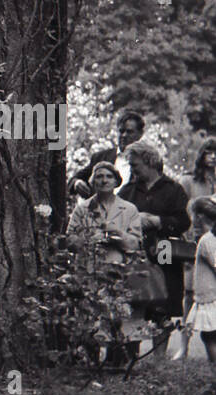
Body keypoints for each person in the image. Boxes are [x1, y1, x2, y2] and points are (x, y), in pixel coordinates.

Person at [120, 140, 190, 324]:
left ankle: (160, 353)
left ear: (149, 161)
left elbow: (184, 221)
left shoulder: (173, 189)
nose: (132, 169)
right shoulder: (127, 191)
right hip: (135, 252)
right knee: (134, 305)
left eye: (135, 165)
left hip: (165, 249)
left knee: (164, 303)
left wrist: (158, 221)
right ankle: (134, 352)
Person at [68, 159, 143, 265]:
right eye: (99, 177)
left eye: (109, 176)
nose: (104, 181)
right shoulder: (82, 209)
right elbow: (70, 242)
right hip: (87, 268)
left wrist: (119, 234)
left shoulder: (129, 209)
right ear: (92, 182)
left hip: (120, 269)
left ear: (116, 182)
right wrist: (88, 239)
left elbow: (135, 245)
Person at [184, 197, 216, 361]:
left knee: (210, 336)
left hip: (211, 297)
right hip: (208, 294)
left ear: (200, 216)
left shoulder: (207, 241)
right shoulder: (206, 239)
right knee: (209, 335)